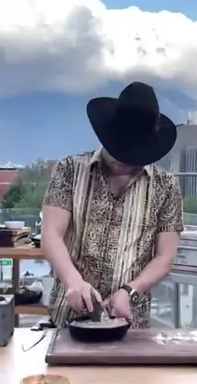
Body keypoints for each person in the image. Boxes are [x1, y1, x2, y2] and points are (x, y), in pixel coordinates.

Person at [41, 82, 184, 328]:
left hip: (130, 321)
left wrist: (131, 290)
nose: (124, 160)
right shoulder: (70, 170)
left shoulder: (166, 186)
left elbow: (164, 257)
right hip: (67, 316)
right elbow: (51, 234)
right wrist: (74, 281)